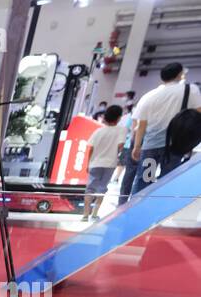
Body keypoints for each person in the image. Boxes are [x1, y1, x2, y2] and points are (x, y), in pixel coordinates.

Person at [130, 63, 201, 195]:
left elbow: (142, 124)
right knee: (167, 181)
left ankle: (136, 209)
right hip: (175, 145)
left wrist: (137, 146)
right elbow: (198, 114)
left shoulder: (149, 96)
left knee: (145, 180)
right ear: (180, 74)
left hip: (150, 146)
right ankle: (159, 211)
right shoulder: (190, 90)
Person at [83, 104, 123, 221]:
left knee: (90, 189)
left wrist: (88, 163)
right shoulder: (121, 130)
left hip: (95, 163)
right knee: (102, 188)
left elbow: (90, 148)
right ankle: (95, 214)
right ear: (119, 117)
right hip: (110, 164)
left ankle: (85, 215)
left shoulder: (98, 131)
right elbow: (120, 146)